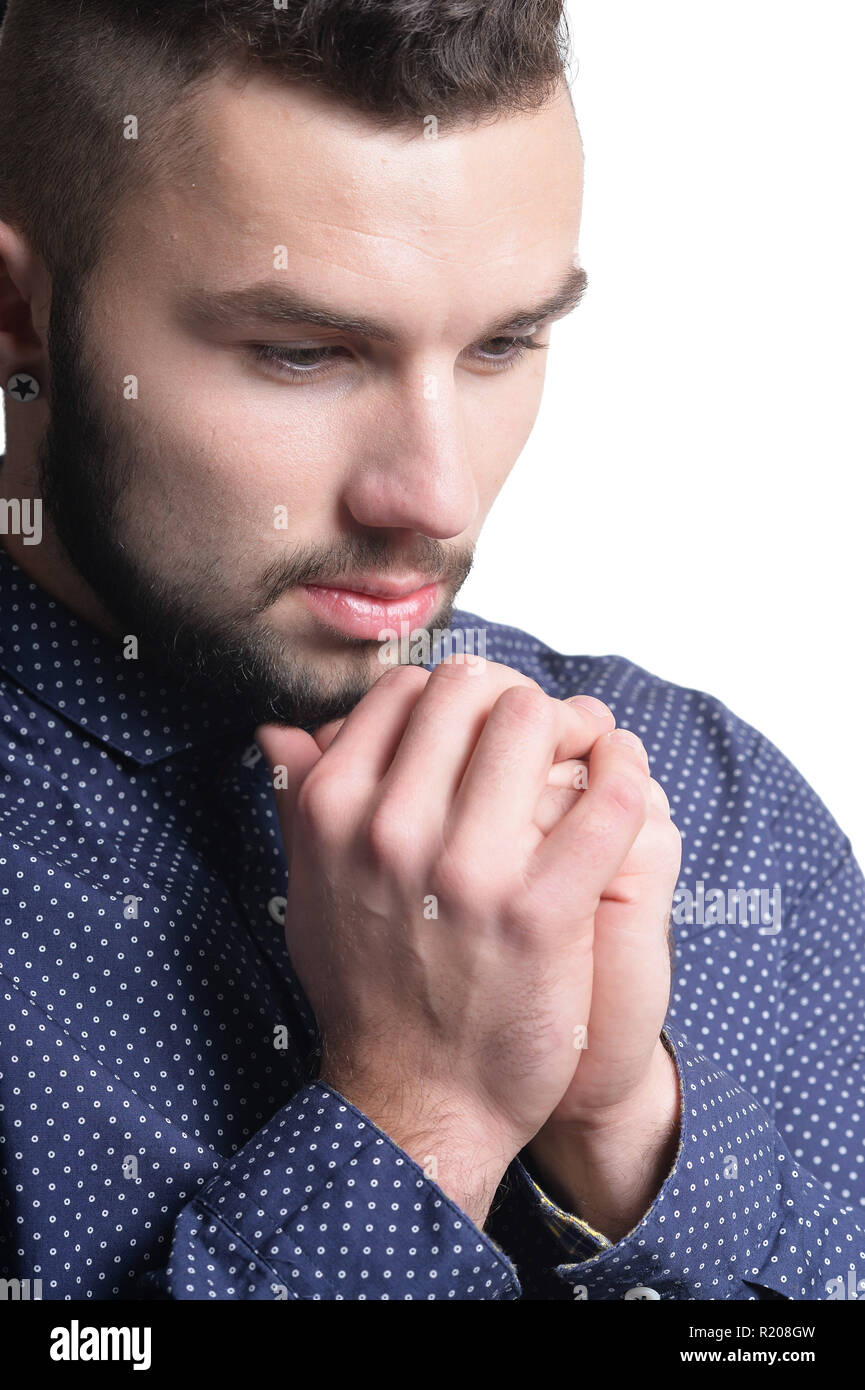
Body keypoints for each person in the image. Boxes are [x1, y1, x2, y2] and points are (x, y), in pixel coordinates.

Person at [0, 0, 861, 1302]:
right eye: (302, 353)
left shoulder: (716, 805)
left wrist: (626, 1136)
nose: (438, 498)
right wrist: (424, 1118)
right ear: (19, 315)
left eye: (504, 343)